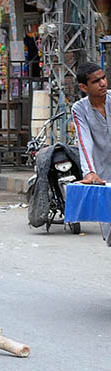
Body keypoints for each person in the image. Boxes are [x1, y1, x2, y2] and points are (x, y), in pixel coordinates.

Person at [72, 63, 111, 243]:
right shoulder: (79, 109)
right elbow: (84, 140)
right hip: (103, 175)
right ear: (83, 87)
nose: (103, 83)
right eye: (96, 81)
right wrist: (89, 171)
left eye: (103, 78)